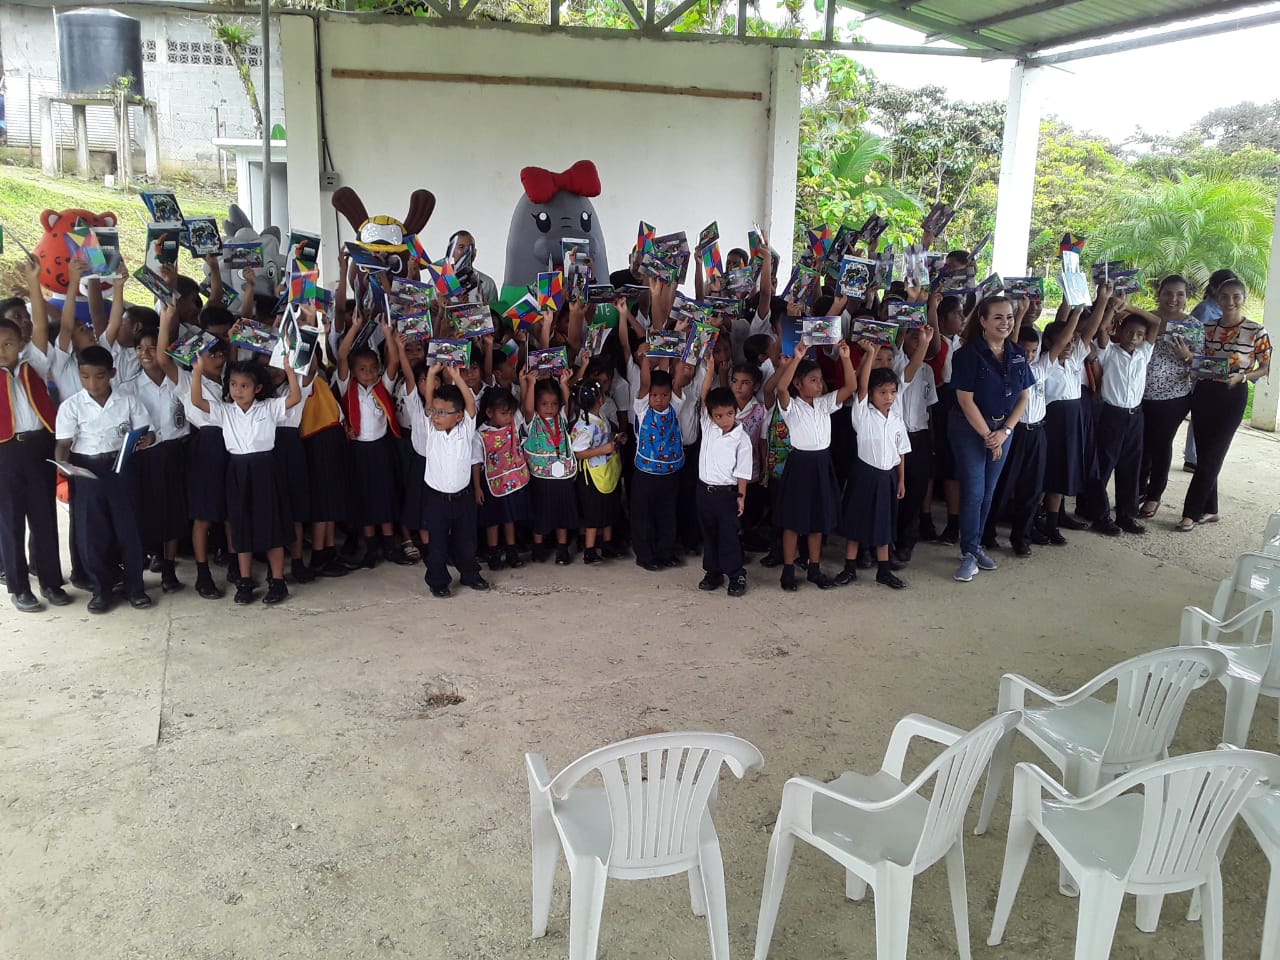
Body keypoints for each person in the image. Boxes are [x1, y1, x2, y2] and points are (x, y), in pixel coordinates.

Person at [190, 355, 302, 605]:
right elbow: (197, 400)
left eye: (244, 385)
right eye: (233, 384)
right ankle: (244, 581)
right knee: (241, 527)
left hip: (265, 469)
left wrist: (289, 371)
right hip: (237, 471)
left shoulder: (269, 407)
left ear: (257, 388)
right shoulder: (225, 411)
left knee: (270, 525)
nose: (238, 390)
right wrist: (197, 372)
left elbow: (295, 398)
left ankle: (277, 581)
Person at [53, 345, 155, 613]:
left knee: (129, 530)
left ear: (111, 373)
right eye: (85, 377)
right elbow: (63, 443)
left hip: (121, 466)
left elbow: (149, 432)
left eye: (98, 376)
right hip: (86, 470)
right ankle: (102, 590)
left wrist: (146, 439)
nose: (92, 383)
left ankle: (135, 588)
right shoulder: (71, 405)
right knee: (92, 533)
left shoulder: (128, 400)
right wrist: (62, 463)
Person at [948, 297, 1035, 583]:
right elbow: (964, 399)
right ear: (983, 321)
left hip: (1002, 431)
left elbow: (1023, 396)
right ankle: (969, 553)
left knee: (988, 491)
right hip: (971, 430)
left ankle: (975, 546)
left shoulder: (1017, 353)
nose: (1005, 323)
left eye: (1009, 317)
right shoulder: (967, 354)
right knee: (973, 490)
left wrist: (1005, 432)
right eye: (998, 317)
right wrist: (989, 436)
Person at [1177, 279, 1271, 531]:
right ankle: (1211, 509)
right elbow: (1198, 361)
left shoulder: (1256, 330)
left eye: (1236, 296)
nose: (1230, 301)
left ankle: (1190, 512)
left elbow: (1265, 367)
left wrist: (1243, 376)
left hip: (1233, 395)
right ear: (1217, 298)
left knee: (1212, 456)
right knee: (1207, 454)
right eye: (1225, 296)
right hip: (1205, 393)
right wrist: (1189, 357)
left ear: (1244, 297)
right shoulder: (1206, 328)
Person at [0, 273, 68, 612]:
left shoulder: (34, 364)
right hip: (5, 454)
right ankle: (18, 587)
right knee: (10, 521)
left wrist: (33, 287)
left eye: (9, 343)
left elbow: (41, 327)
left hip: (38, 446)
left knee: (44, 518)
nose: (4, 351)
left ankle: (52, 582)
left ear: (20, 343)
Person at [772, 340, 857, 591]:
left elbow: (851, 386)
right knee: (793, 520)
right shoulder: (791, 406)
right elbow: (780, 387)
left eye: (820, 380)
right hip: (800, 464)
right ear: (798, 384)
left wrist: (845, 357)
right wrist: (797, 358)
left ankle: (814, 568)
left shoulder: (824, 404)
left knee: (818, 519)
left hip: (822, 463)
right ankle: (788, 569)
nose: (820, 384)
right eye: (813, 380)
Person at [337, 319, 415, 568]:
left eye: (373, 368)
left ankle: (391, 545)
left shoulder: (383, 386)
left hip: (382, 450)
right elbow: (341, 357)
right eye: (363, 369)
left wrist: (388, 335)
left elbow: (393, 362)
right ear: (353, 371)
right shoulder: (346, 387)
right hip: (358, 451)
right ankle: (371, 548)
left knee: (386, 496)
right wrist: (355, 328)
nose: (369, 373)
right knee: (365, 498)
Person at [835, 339, 911, 589]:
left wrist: (900, 480)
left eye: (892, 392)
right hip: (864, 475)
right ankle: (849, 567)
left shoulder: (898, 420)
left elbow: (901, 452)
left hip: (888, 476)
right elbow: (862, 386)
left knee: (884, 523)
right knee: (856, 521)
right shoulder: (863, 415)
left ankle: (884, 570)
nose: (889, 397)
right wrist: (871, 354)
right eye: (883, 392)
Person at [410, 361, 488, 598]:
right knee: (437, 545)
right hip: (436, 499)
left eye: (443, 413)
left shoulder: (465, 428)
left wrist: (456, 376)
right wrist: (433, 373)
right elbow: (428, 402)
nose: (436, 416)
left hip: (463, 498)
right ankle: (438, 581)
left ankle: (470, 574)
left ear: (458, 416)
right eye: (435, 411)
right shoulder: (432, 429)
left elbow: (471, 403)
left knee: (466, 542)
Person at [126, 305, 190, 593]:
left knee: (173, 513)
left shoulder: (177, 381)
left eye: (153, 348)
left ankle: (169, 568)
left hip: (176, 452)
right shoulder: (130, 388)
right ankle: (149, 559)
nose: (147, 354)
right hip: (146, 459)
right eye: (141, 349)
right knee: (148, 512)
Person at [1088, 305, 1157, 536]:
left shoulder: (1144, 352)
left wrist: (1129, 307)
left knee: (1131, 467)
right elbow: (1101, 329)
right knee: (1104, 465)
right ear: (1120, 330)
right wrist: (1115, 309)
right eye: (1129, 332)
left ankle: (1126, 515)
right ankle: (1099, 515)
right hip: (1111, 414)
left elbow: (1155, 322)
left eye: (1139, 334)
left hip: (1135, 416)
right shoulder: (1109, 351)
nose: (1134, 338)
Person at [1134, 276, 1197, 519]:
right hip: (1138, 394)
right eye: (1168, 293)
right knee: (1140, 445)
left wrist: (1187, 356)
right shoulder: (1146, 320)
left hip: (1173, 397)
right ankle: (1137, 490)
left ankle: (1153, 496)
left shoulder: (1193, 326)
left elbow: (1202, 365)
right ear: (1158, 294)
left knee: (1160, 445)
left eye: (1179, 294)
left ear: (1186, 297)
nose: (1173, 299)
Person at [985, 325, 1049, 557]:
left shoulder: (1041, 368)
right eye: (1025, 349)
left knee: (1032, 488)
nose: (1030, 355)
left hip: (1037, 432)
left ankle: (1021, 538)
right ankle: (987, 532)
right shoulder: (1005, 368)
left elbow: (1060, 343)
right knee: (1003, 485)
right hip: (1013, 431)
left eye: (1034, 350)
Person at [695, 362, 753, 597]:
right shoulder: (708, 426)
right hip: (704, 492)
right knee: (708, 534)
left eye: (729, 414)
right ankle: (713, 571)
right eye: (718, 415)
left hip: (727, 494)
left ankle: (736, 573)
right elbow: (704, 395)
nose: (725, 419)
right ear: (710, 416)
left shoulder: (742, 438)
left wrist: (741, 498)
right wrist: (710, 370)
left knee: (728, 536)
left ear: (735, 412)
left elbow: (742, 473)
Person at [630, 354, 691, 571]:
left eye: (664, 395)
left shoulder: (675, 404)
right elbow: (646, 383)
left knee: (668, 515)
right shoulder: (642, 408)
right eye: (654, 395)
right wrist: (646, 360)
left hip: (671, 472)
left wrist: (677, 359)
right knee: (643, 516)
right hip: (646, 473)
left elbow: (679, 381)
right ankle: (645, 555)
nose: (659, 399)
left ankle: (666, 552)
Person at [521, 368, 580, 565]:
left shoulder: (561, 419)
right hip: (540, 476)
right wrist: (530, 384)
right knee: (540, 512)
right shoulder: (532, 420)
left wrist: (564, 383)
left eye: (554, 403)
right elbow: (528, 409)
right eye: (544, 404)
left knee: (562, 512)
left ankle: (562, 548)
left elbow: (568, 402)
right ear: (536, 404)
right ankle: (538, 547)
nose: (550, 408)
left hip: (562, 475)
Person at [890, 322, 937, 562]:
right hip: (897, 437)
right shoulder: (895, 364)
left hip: (919, 436)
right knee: (895, 491)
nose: (920, 342)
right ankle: (887, 542)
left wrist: (931, 439)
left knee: (916, 491)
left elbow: (929, 408)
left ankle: (906, 542)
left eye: (923, 339)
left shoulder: (927, 370)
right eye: (914, 338)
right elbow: (909, 370)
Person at [474, 386, 530, 570]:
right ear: (490, 412)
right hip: (492, 483)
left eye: (510, 413)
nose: (508, 417)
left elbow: (524, 411)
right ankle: (494, 553)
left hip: (512, 480)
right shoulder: (480, 435)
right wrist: (477, 488)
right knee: (493, 520)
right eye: (504, 413)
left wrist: (524, 383)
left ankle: (512, 551)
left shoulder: (513, 423)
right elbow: (476, 462)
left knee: (510, 518)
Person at [571, 378, 622, 564]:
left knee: (608, 508)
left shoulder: (600, 418)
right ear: (600, 399)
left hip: (606, 470)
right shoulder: (585, 426)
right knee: (593, 512)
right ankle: (590, 550)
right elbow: (578, 453)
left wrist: (615, 440)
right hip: (591, 475)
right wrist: (603, 450)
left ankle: (606, 544)